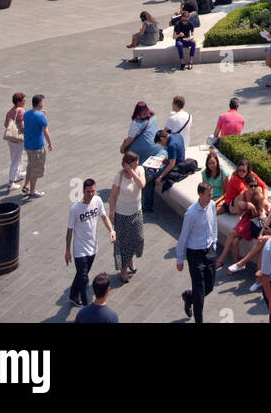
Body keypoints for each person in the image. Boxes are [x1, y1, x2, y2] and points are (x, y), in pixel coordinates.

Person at [66, 178, 115, 308]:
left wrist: (111, 231)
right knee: (84, 279)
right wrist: (67, 251)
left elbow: (104, 217)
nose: (91, 194)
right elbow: (69, 230)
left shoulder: (97, 201)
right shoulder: (75, 209)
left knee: (82, 274)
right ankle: (87, 307)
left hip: (92, 247)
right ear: (83, 191)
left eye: (93, 191)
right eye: (88, 192)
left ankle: (72, 295)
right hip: (79, 249)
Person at [176, 182, 219, 324]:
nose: (211, 197)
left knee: (210, 286)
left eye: (211, 195)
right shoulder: (191, 213)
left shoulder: (211, 205)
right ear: (200, 195)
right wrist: (180, 259)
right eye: (208, 195)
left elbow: (214, 225)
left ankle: (189, 297)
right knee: (199, 291)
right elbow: (183, 236)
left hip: (209, 251)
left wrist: (214, 242)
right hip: (195, 254)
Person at [109, 151, 146, 283]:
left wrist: (133, 172)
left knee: (138, 238)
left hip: (136, 212)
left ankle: (130, 258)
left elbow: (141, 184)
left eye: (137, 163)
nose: (136, 165)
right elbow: (112, 196)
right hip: (122, 214)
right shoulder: (119, 176)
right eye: (133, 164)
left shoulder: (140, 171)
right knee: (123, 243)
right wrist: (111, 213)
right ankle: (123, 269)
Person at [142, 129, 184, 211]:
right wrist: (167, 160)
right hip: (180, 161)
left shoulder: (171, 145)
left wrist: (160, 177)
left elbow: (171, 164)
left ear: (162, 139)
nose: (163, 145)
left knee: (149, 182)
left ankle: (147, 207)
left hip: (176, 167)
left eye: (160, 143)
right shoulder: (177, 135)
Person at [21, 93, 52, 198]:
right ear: (39, 103)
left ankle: (26, 185)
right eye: (42, 102)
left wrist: (41, 114)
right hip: (37, 147)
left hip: (28, 145)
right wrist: (50, 143)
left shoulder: (27, 114)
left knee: (30, 166)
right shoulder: (40, 116)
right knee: (36, 169)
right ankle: (32, 191)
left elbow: (32, 121)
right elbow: (45, 131)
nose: (43, 104)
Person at [3, 90, 27, 187]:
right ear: (18, 102)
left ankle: (18, 174)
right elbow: (23, 127)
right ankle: (11, 181)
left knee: (17, 157)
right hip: (18, 139)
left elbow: (5, 124)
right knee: (16, 160)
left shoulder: (10, 111)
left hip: (11, 138)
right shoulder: (21, 111)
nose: (24, 103)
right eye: (23, 101)